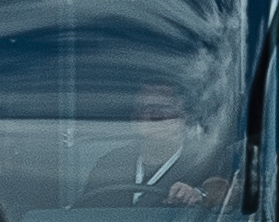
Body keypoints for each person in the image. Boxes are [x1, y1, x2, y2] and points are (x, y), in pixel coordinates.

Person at [80, 78, 231, 208]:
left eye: (165, 109)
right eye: (147, 109)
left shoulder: (206, 160)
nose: (156, 116)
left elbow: (231, 193)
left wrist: (199, 195)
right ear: (134, 119)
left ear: (184, 118)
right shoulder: (110, 164)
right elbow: (81, 217)